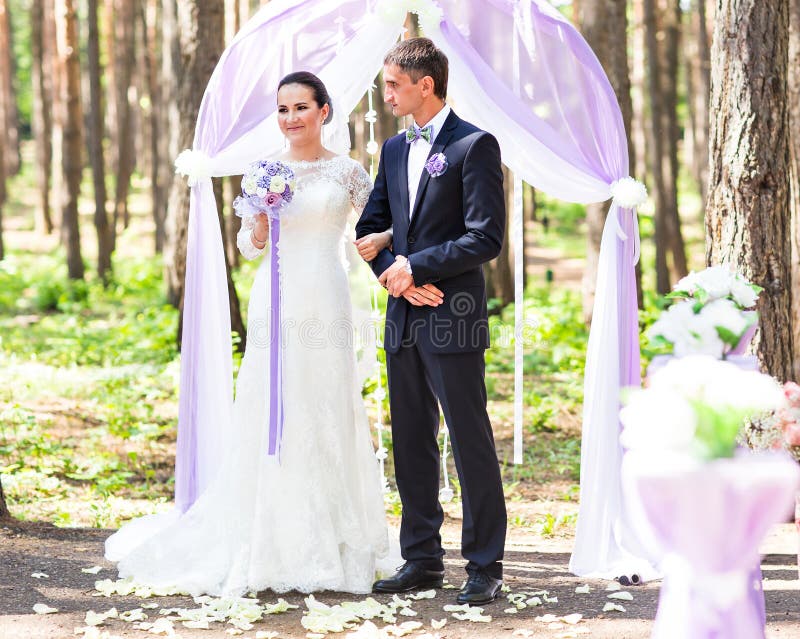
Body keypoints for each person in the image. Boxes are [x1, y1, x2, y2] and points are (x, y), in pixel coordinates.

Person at [105, 71, 391, 596]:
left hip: (327, 298)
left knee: (326, 403)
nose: (291, 119)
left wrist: (390, 244)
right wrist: (259, 222)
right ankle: (270, 537)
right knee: (274, 407)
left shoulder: (350, 173)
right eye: (283, 110)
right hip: (277, 301)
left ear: (324, 111)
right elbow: (250, 246)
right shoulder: (263, 171)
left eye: (301, 108)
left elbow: (370, 230)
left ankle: (337, 540)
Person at [355, 38, 508, 605]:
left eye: (393, 83)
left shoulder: (474, 145)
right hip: (404, 316)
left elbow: (484, 236)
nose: (386, 92)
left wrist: (415, 266)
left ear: (426, 84)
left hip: (454, 315)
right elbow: (370, 227)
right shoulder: (394, 150)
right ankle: (421, 559)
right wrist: (394, 276)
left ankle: (485, 564)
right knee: (411, 441)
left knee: (469, 440)